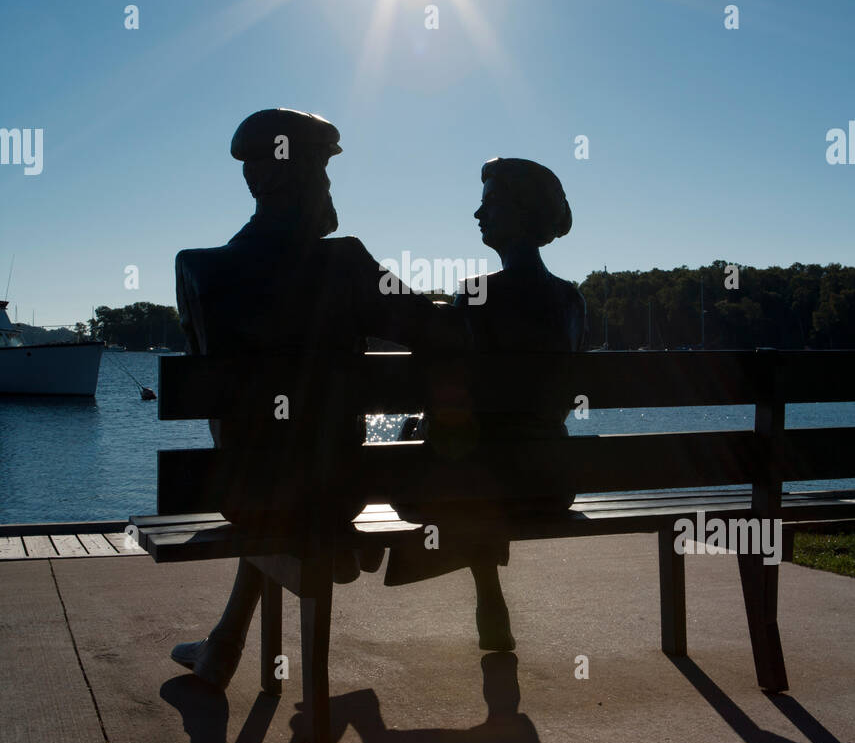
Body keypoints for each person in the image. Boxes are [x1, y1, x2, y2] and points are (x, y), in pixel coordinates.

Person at [170, 107, 462, 689]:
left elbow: (218, 406)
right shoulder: (348, 264)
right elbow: (441, 333)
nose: (328, 186)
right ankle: (225, 641)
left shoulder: (201, 271)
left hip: (246, 493)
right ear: (275, 176)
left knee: (274, 472)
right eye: (318, 171)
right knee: (304, 469)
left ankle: (222, 645)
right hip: (342, 489)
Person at [390, 157, 587, 651]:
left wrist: (416, 426)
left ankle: (485, 599)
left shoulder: (476, 296)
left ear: (523, 212)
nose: (478, 214)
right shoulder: (572, 301)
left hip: (486, 485)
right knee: (486, 460)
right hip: (552, 485)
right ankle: (490, 602)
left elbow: (456, 406)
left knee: (460, 460)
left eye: (491, 202)